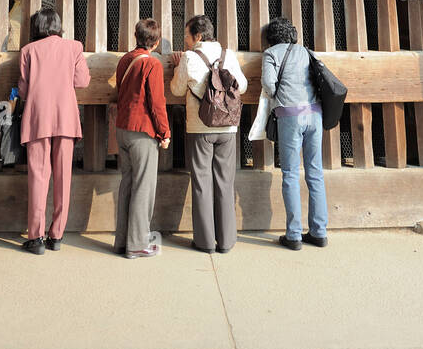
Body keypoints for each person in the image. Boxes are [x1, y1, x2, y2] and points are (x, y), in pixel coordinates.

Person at [169, 14, 247, 253]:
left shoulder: (190, 58)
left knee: (202, 183)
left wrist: (176, 67)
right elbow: (242, 86)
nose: (185, 41)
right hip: (228, 128)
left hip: (200, 128)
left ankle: (204, 242)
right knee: (225, 182)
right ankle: (227, 241)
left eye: (187, 36)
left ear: (198, 36)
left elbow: (176, 89)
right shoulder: (228, 55)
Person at [18, 5, 91, 253]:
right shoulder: (74, 47)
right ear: (58, 25)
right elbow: (82, 81)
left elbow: (24, 90)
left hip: (38, 117)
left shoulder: (28, 50)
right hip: (66, 118)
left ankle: (36, 237)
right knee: (63, 178)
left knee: (38, 177)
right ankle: (56, 235)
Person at [261, 16, 328, 250]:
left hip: (290, 115)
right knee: (315, 172)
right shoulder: (307, 52)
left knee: (290, 174)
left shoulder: (271, 54)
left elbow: (268, 84)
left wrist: (278, 97)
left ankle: (294, 235)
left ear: (270, 37)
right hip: (315, 114)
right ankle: (319, 232)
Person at [112, 18, 171, 259]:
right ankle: (137, 245)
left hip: (123, 128)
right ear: (155, 42)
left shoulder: (125, 60)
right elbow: (157, 103)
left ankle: (122, 241)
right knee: (143, 188)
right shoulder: (152, 65)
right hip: (143, 130)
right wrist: (164, 133)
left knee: (127, 183)